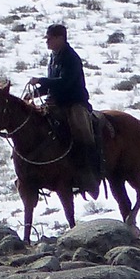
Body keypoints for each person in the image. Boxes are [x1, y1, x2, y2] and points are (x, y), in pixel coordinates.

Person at [32, 23, 100, 195]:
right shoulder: (54, 57)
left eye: (49, 38)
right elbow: (53, 85)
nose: (47, 42)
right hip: (56, 103)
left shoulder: (71, 58)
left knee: (82, 132)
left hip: (74, 103)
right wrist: (35, 93)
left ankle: (89, 173)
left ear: (60, 38)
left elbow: (65, 83)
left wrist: (42, 80)